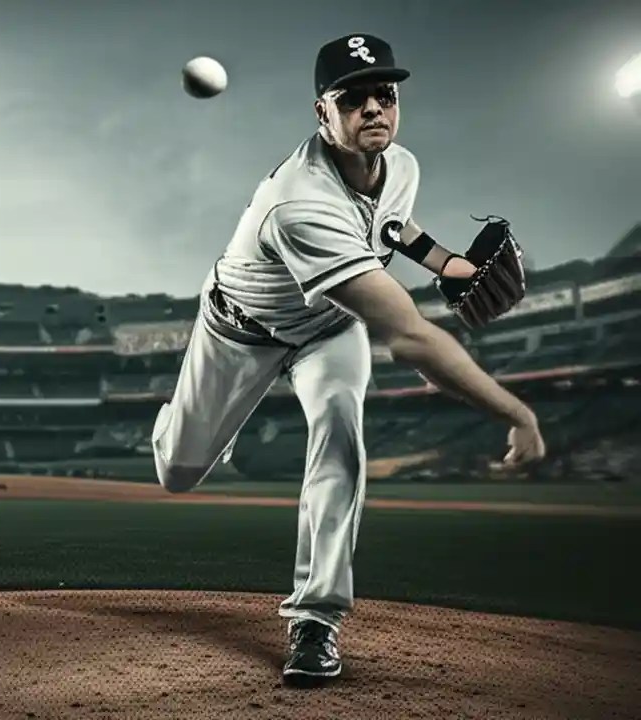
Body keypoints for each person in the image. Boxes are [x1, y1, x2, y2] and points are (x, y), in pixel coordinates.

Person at [150, 34, 546, 688]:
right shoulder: (298, 202)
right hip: (239, 330)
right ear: (321, 112)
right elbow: (409, 334)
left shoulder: (403, 165)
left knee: (341, 439)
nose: (373, 109)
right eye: (352, 97)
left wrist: (450, 265)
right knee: (179, 473)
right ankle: (180, 426)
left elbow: (394, 228)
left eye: (384, 95)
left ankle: (314, 621)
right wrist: (515, 410)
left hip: (330, 331)